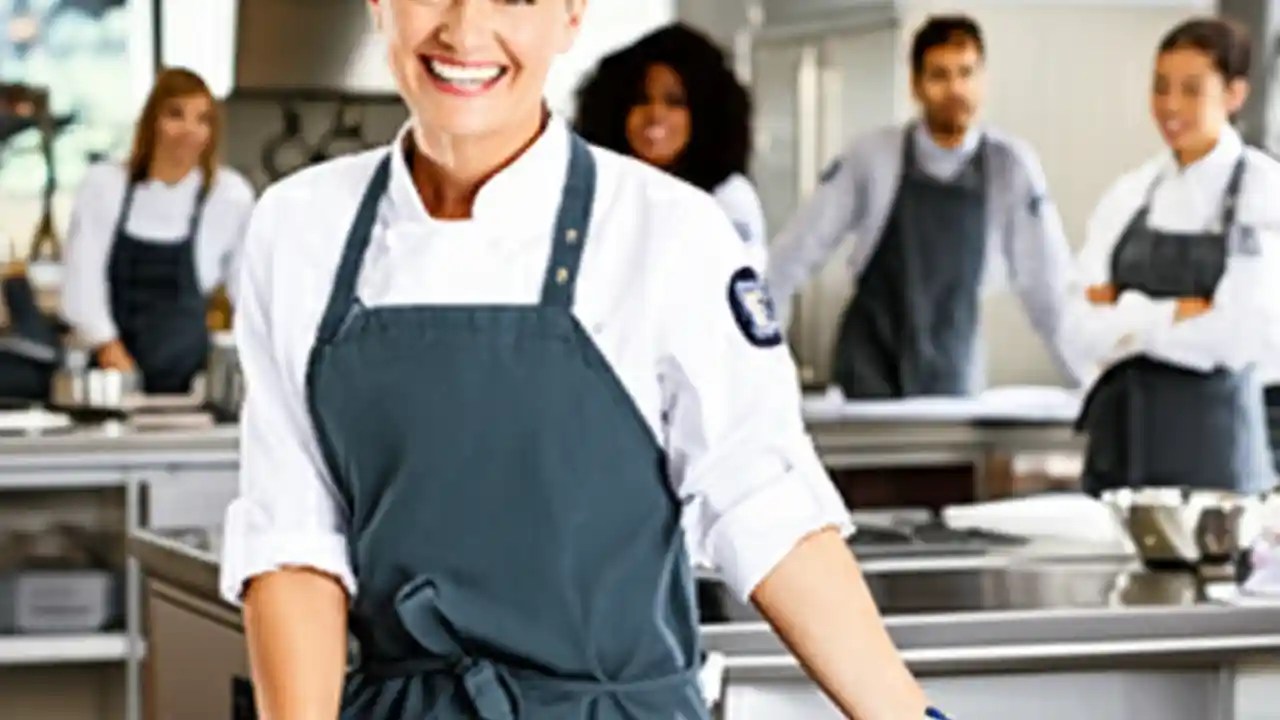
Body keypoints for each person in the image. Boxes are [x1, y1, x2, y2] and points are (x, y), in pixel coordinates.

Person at [218, 2, 951, 719]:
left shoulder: (668, 232)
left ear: (572, 14)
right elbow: (293, 541)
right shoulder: (298, 228)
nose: (466, 28)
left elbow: (762, 506)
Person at [768, 15, 1075, 399]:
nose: (955, 89)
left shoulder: (1010, 166)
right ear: (915, 84)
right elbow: (794, 254)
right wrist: (761, 365)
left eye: (966, 73)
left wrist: (1089, 380)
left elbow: (1048, 288)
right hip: (869, 373)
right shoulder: (872, 157)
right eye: (939, 75)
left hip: (953, 377)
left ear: (984, 79)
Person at [1061, 18, 1280, 495]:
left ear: (1235, 95)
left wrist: (1123, 316)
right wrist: (1176, 312)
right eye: (1160, 88)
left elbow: (1238, 337)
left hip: (1217, 467)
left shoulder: (1263, 191)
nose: (1170, 106)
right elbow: (1075, 330)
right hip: (1119, 458)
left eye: (1191, 89)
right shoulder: (1129, 193)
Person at [60, 67, 254, 394]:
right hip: (110, 380)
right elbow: (81, 281)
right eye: (175, 115)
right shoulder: (105, 186)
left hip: (191, 384)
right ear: (151, 121)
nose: (189, 130)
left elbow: (248, 290)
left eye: (202, 119)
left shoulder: (229, 196)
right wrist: (111, 351)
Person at [575, 22, 767, 270]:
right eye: (641, 100)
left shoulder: (728, 197)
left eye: (675, 102)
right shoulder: (597, 191)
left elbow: (742, 286)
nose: (655, 114)